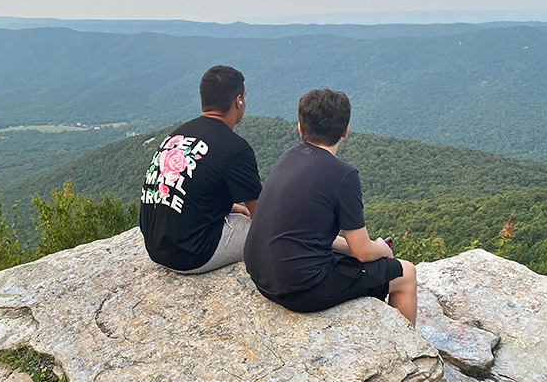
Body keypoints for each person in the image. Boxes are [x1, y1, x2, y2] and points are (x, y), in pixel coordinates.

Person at [244, 87, 417, 324]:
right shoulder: (344, 176)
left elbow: (304, 234)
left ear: (300, 128)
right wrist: (382, 249)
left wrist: (352, 248)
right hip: (300, 289)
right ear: (345, 130)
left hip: (260, 275)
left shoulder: (288, 157)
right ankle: (407, 345)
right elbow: (363, 252)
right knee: (406, 274)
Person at [140, 65, 262, 273]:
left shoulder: (178, 135)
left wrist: (231, 207)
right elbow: (262, 216)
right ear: (238, 101)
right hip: (192, 254)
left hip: (155, 247)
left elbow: (186, 189)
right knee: (273, 234)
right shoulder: (235, 148)